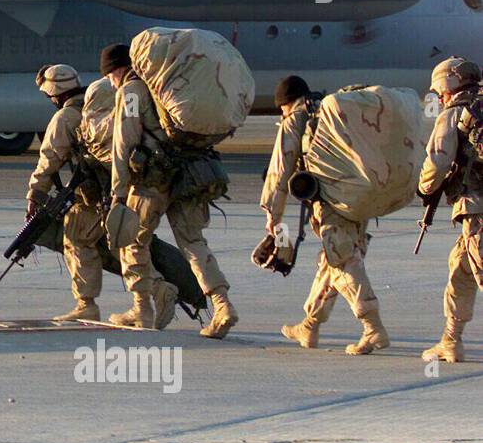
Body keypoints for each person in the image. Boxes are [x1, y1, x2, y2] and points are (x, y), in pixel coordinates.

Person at [102, 43, 238, 337]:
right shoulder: (165, 85)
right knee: (193, 243)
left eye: (110, 75)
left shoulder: (131, 93)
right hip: (188, 174)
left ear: (117, 70)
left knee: (132, 242)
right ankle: (222, 304)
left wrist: (119, 191)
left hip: (151, 180)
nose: (110, 82)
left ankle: (143, 306)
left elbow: (124, 142)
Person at [26, 64, 177, 325]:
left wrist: (35, 192)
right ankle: (153, 292)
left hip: (94, 198)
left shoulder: (65, 118)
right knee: (125, 244)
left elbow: (49, 159)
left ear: (54, 94)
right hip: (128, 189)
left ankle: (87, 304)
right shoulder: (102, 104)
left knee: (76, 238)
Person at [264, 76, 387, 354]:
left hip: (331, 202)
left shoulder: (296, 120)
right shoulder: (333, 112)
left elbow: (279, 172)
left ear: (286, 103)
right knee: (331, 260)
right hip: (359, 197)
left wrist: (272, 214)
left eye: (281, 108)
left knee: (343, 260)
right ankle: (310, 325)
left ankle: (373, 327)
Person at [419, 56, 483, 363]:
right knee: (461, 269)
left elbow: (439, 160)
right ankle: (450, 341)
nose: (439, 97)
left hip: (476, 209)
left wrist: (424, 187)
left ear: (449, 84)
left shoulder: (455, 113)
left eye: (440, 90)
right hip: (474, 212)